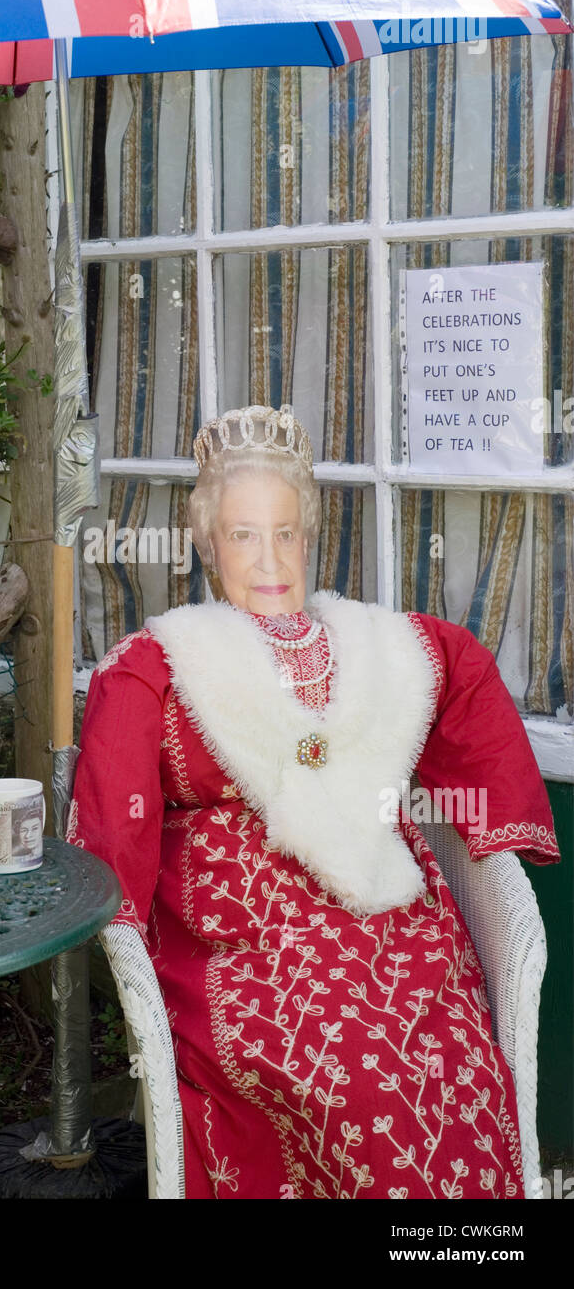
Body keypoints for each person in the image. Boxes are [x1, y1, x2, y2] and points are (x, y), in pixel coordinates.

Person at [68, 405, 559, 1200]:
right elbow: (112, 824)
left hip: (394, 928)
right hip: (246, 940)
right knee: (350, 1091)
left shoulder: (380, 644)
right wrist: (116, 908)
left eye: (287, 533)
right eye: (243, 535)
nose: (270, 560)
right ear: (206, 542)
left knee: (454, 1075)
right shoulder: (156, 666)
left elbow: (461, 669)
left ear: (311, 536)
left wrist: (490, 820)